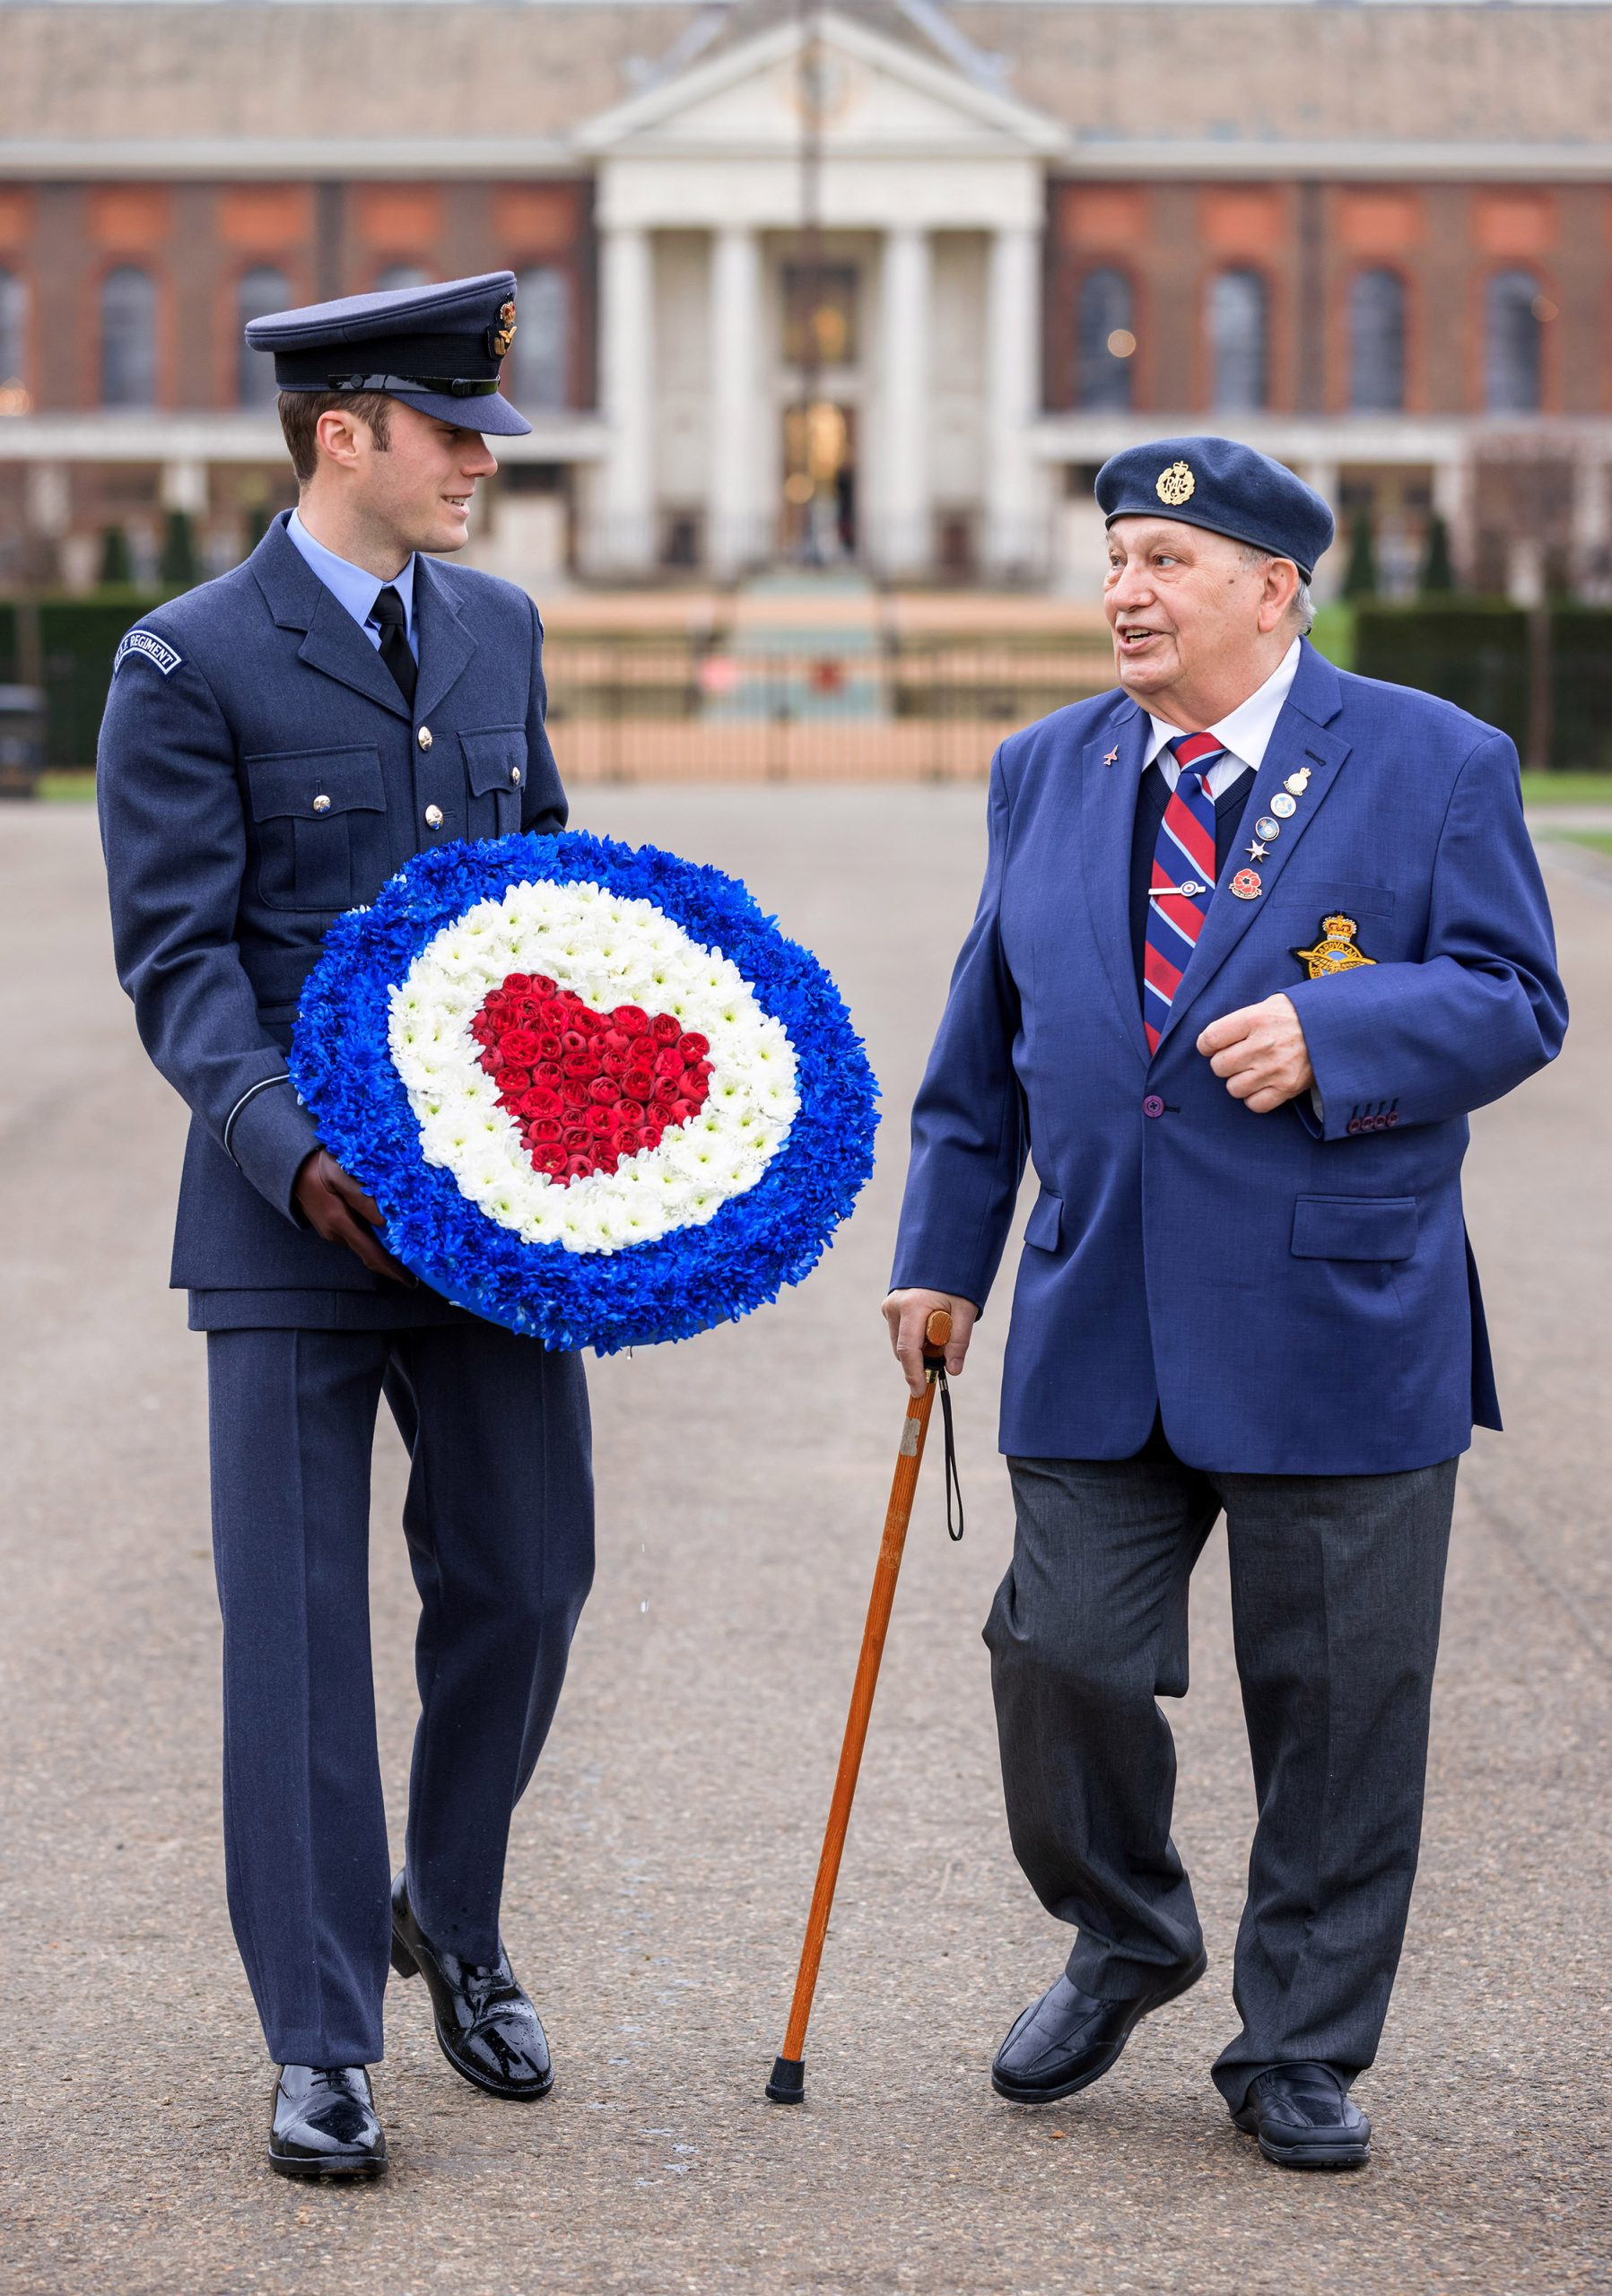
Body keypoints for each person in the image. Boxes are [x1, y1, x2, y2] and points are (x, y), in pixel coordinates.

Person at [883, 436, 1566, 2170]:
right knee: (1058, 1656)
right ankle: (1125, 1928)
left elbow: (1512, 998)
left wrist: (1345, 1035)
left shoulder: (1433, 760)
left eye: (1167, 562)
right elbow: (984, 1053)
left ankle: (1299, 2047)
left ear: (1275, 590)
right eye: (1116, 556)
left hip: (1334, 1313)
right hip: (1097, 1305)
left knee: (1337, 1708)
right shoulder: (1043, 766)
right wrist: (941, 1253)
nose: (1126, 589)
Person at [97, 273, 594, 2180]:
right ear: (342, 434)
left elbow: (546, 890)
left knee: (531, 1579)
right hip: (288, 1223)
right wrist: (300, 1152)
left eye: (482, 428)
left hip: (489, 1230)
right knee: (298, 1642)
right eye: (452, 427)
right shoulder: (187, 657)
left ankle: (445, 1911)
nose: (483, 457)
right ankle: (323, 2038)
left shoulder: (499, 628)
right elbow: (180, 963)